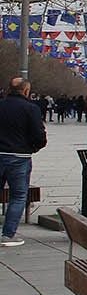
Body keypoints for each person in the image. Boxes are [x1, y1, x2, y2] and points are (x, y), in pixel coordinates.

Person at [0, 77, 48, 247]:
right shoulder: (31, 108)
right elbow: (39, 135)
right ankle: (7, 235)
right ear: (26, 91)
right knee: (18, 196)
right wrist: (33, 148)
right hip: (19, 158)